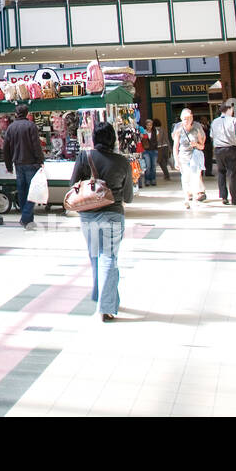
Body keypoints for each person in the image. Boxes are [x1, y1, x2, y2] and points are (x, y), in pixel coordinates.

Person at [69, 122, 132, 322]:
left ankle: (100, 295)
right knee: (109, 257)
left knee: (95, 256)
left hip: (88, 216)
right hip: (113, 214)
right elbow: (128, 197)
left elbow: (72, 185)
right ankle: (106, 306)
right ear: (113, 139)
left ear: (94, 138)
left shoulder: (84, 157)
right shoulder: (122, 162)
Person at [3, 103, 45, 230]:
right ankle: (26, 218)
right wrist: (40, 160)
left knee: (22, 191)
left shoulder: (11, 128)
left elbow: (6, 148)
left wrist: (8, 165)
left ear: (16, 114)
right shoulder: (30, 126)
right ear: (27, 114)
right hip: (31, 163)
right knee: (32, 192)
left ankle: (28, 220)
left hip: (18, 164)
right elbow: (36, 145)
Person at [210, 100, 236, 205]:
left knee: (221, 172)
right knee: (232, 174)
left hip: (219, 149)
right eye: (232, 109)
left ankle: (224, 197)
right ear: (229, 109)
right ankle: (234, 199)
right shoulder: (234, 121)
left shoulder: (214, 122)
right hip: (231, 149)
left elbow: (212, 136)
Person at [172, 108, 207, 209]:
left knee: (195, 178)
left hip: (195, 157)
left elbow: (202, 146)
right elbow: (176, 147)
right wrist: (176, 160)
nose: (186, 121)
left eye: (188, 118)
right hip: (183, 156)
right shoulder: (178, 130)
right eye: (184, 119)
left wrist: (196, 144)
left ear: (191, 118)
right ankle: (186, 199)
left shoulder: (197, 129)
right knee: (185, 178)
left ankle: (195, 198)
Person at [139, 118, 158, 186]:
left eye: (150, 125)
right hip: (146, 150)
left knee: (154, 166)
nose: (149, 126)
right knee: (148, 166)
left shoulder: (155, 132)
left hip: (154, 150)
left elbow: (157, 140)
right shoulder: (143, 132)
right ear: (146, 125)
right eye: (148, 125)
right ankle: (147, 180)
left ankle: (153, 179)